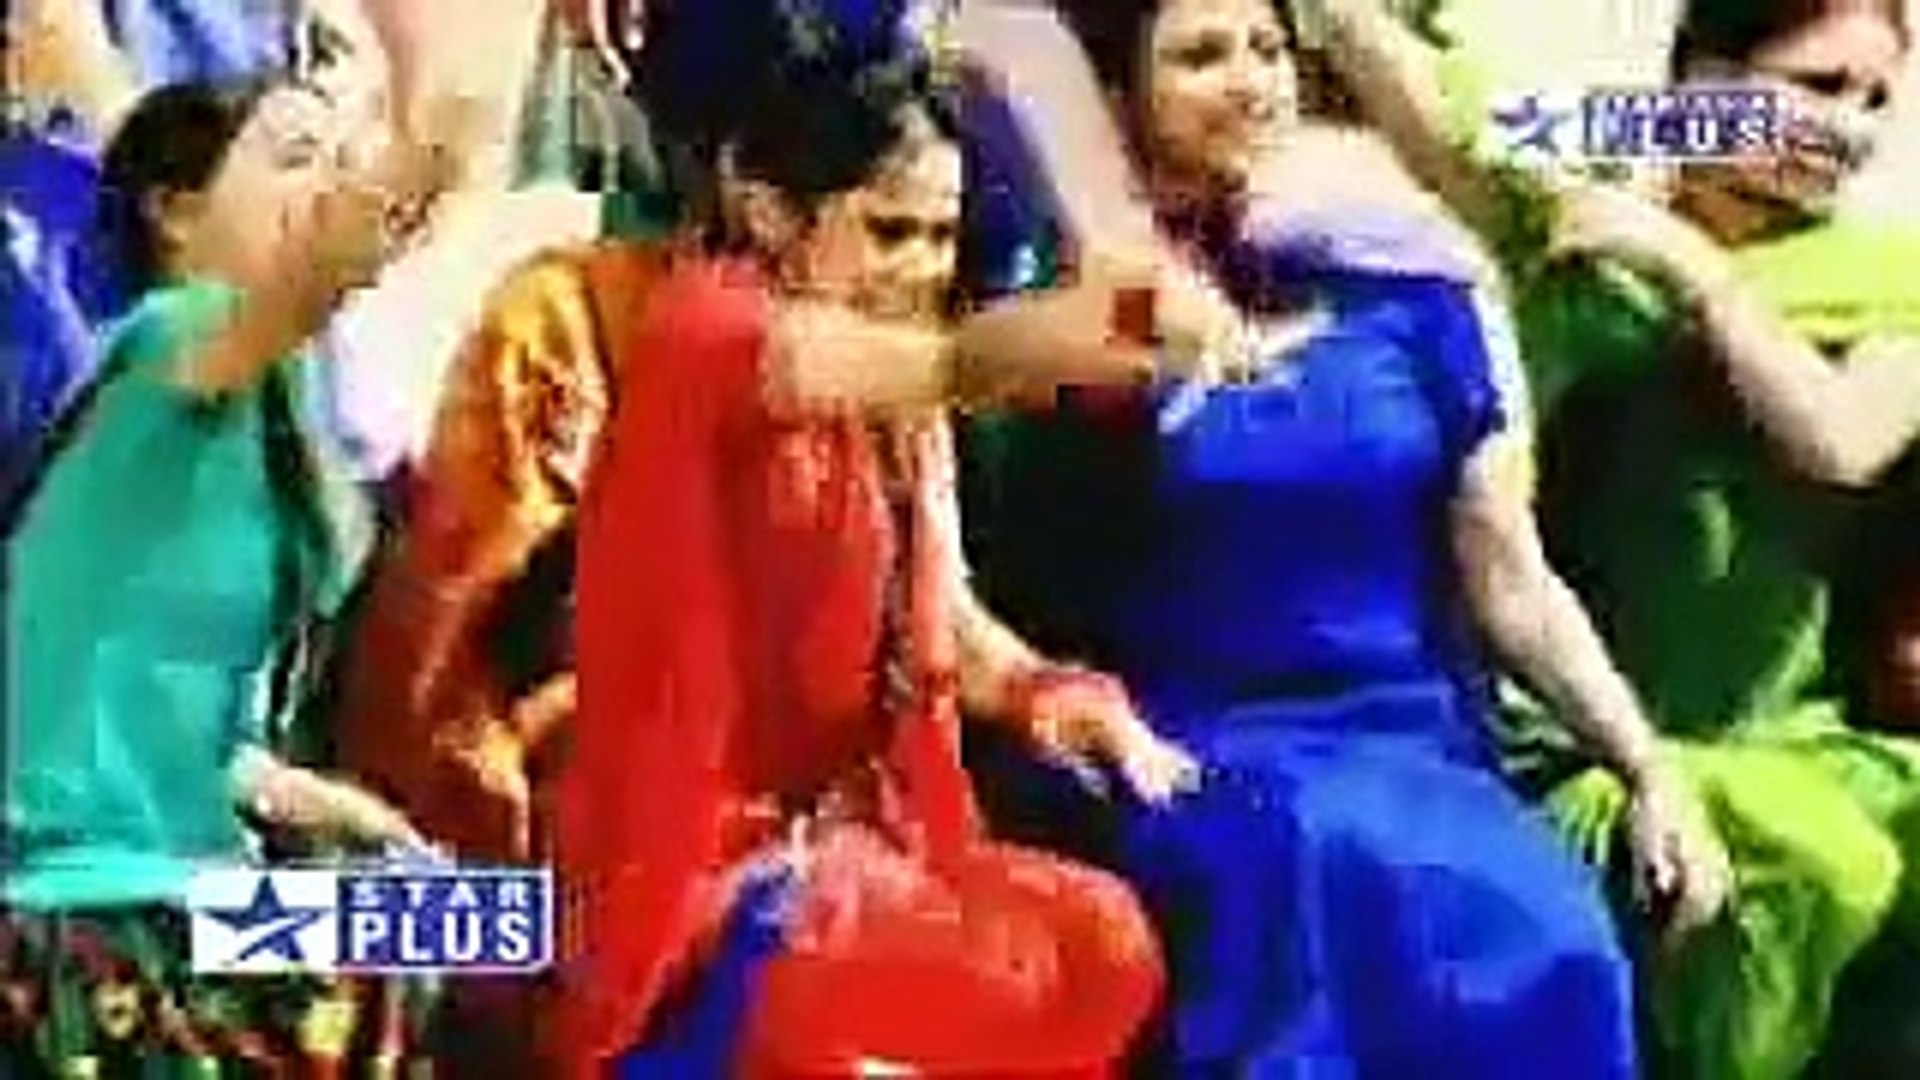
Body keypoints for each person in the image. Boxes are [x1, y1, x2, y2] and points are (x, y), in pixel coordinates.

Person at [957, 0, 1732, 1073]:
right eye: (1200, 57)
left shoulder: (1419, 297)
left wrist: (1647, 769)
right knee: (1318, 873)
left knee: (1553, 935)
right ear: (1125, 99)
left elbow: (1510, 575)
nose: (1249, 81)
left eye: (1268, 50)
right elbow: (990, 337)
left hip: (1415, 739)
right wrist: (1146, 299)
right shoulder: (1103, 304)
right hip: (1204, 743)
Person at [548, 1, 1182, 1074]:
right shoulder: (711, 333)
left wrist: (1063, 700)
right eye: (889, 231)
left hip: (873, 835)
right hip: (703, 869)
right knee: (966, 974)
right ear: (767, 209)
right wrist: (1120, 320)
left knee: (1106, 945)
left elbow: (950, 627)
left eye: (940, 235)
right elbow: (942, 363)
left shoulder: (899, 403)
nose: (922, 267)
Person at [1311, 0, 1920, 1075]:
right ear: (1701, 87)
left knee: (1830, 854)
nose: (1851, 129)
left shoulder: (1888, 276)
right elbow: (1454, 110)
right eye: (1819, 87)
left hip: (1774, 738)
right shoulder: (1581, 208)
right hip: (1552, 721)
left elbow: (1841, 439)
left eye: (1876, 100)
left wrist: (1692, 268)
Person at [0, 74, 448, 1073]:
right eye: (295, 160)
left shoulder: (276, 401)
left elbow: (199, 736)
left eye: (339, 162)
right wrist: (445, 120)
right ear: (175, 211)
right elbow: (331, 259)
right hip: (86, 898)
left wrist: (333, 805)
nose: (327, 187)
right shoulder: (176, 340)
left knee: (488, 925)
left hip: (187, 879)